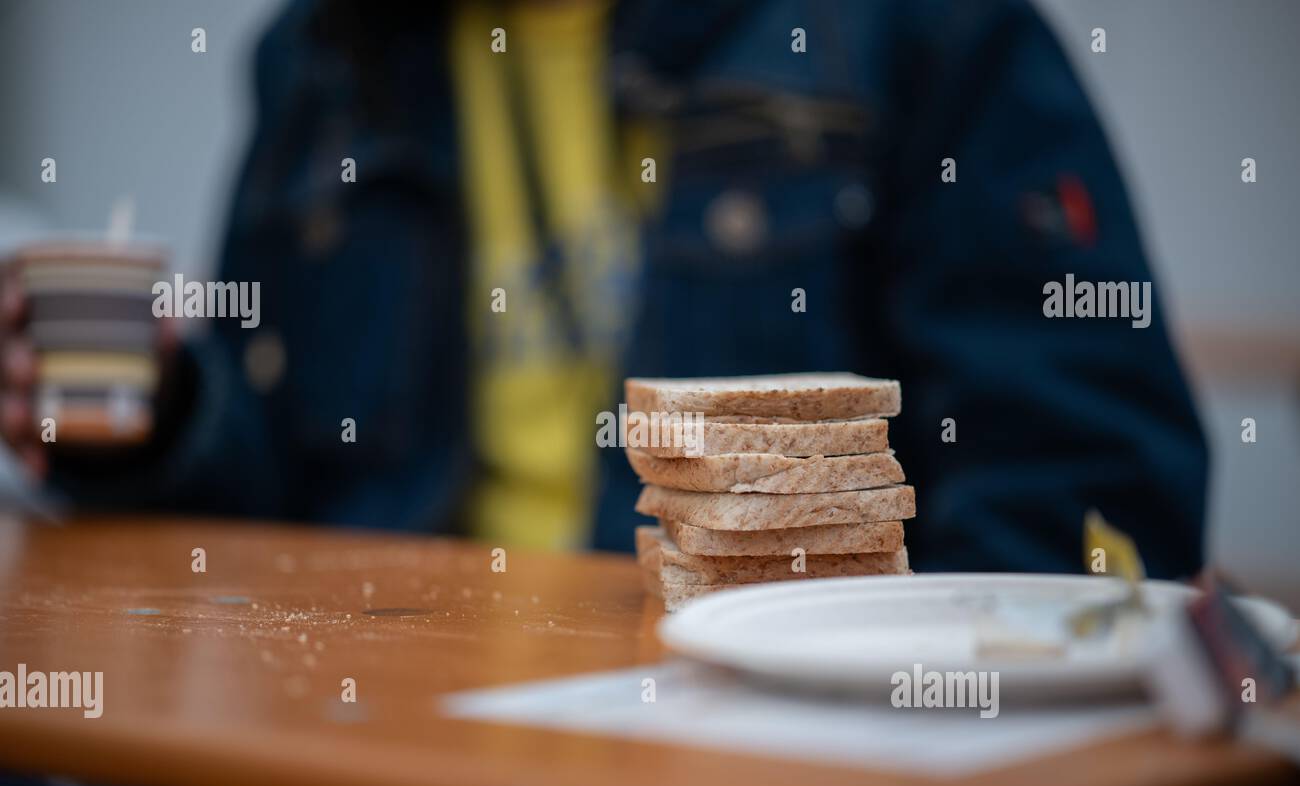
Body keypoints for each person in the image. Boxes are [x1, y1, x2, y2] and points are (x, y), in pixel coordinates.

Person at [1, 0, 1207, 573]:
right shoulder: (319, 60)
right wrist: (156, 419)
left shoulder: (920, 30)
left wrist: (900, 720)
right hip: (366, 778)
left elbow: (1085, 483)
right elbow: (268, 503)